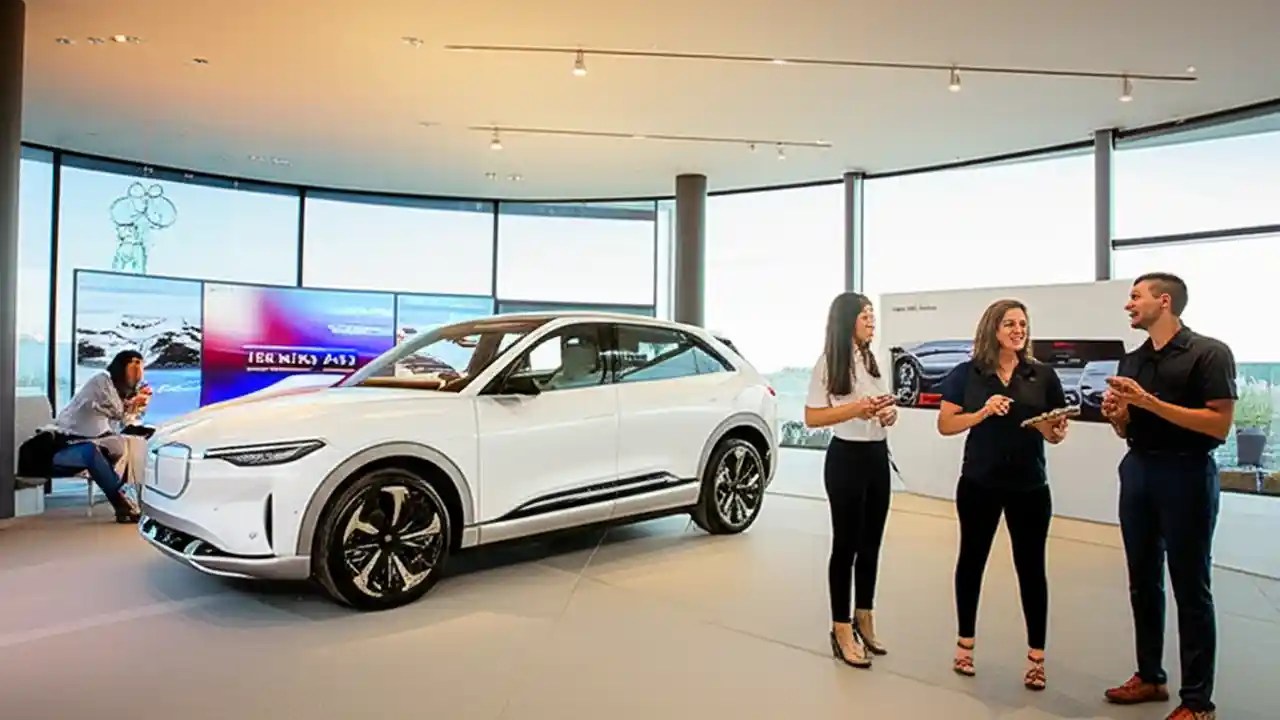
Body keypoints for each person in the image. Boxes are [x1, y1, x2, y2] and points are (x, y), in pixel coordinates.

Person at [1100, 273, 1234, 720]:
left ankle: (1198, 702)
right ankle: (1150, 677)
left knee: (1191, 586)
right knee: (1143, 580)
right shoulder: (1132, 360)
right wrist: (1120, 416)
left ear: (1164, 300)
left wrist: (1150, 403)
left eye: (1135, 297)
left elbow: (1217, 425)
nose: (1128, 305)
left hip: (1187, 473)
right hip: (1139, 469)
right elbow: (1127, 429)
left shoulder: (1209, 354)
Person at [935, 299, 1069, 691]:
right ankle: (964, 646)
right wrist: (982, 413)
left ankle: (1037, 659)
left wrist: (1053, 429)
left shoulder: (1042, 375)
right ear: (993, 329)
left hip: (1030, 486)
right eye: (1010, 323)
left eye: (1023, 323)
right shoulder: (968, 374)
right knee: (971, 562)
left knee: (1031, 570)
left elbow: (1057, 432)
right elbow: (946, 424)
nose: (1018, 329)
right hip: (979, 484)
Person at [804, 292, 898, 669]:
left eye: (872, 314)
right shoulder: (828, 363)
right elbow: (812, 417)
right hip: (846, 459)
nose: (871, 321)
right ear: (847, 321)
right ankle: (841, 628)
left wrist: (888, 414)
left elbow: (882, 406)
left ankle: (865, 617)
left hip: (877, 457)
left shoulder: (873, 362)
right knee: (846, 546)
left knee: (872, 544)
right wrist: (854, 409)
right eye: (864, 315)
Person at [53, 350, 152, 522]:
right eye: (132, 363)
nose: (136, 369)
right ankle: (121, 501)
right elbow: (115, 410)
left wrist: (137, 408)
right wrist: (133, 402)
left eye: (139, 363)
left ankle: (136, 497)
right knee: (91, 452)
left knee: (128, 444)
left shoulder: (123, 392)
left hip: (94, 442)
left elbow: (124, 421)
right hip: (65, 444)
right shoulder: (101, 381)